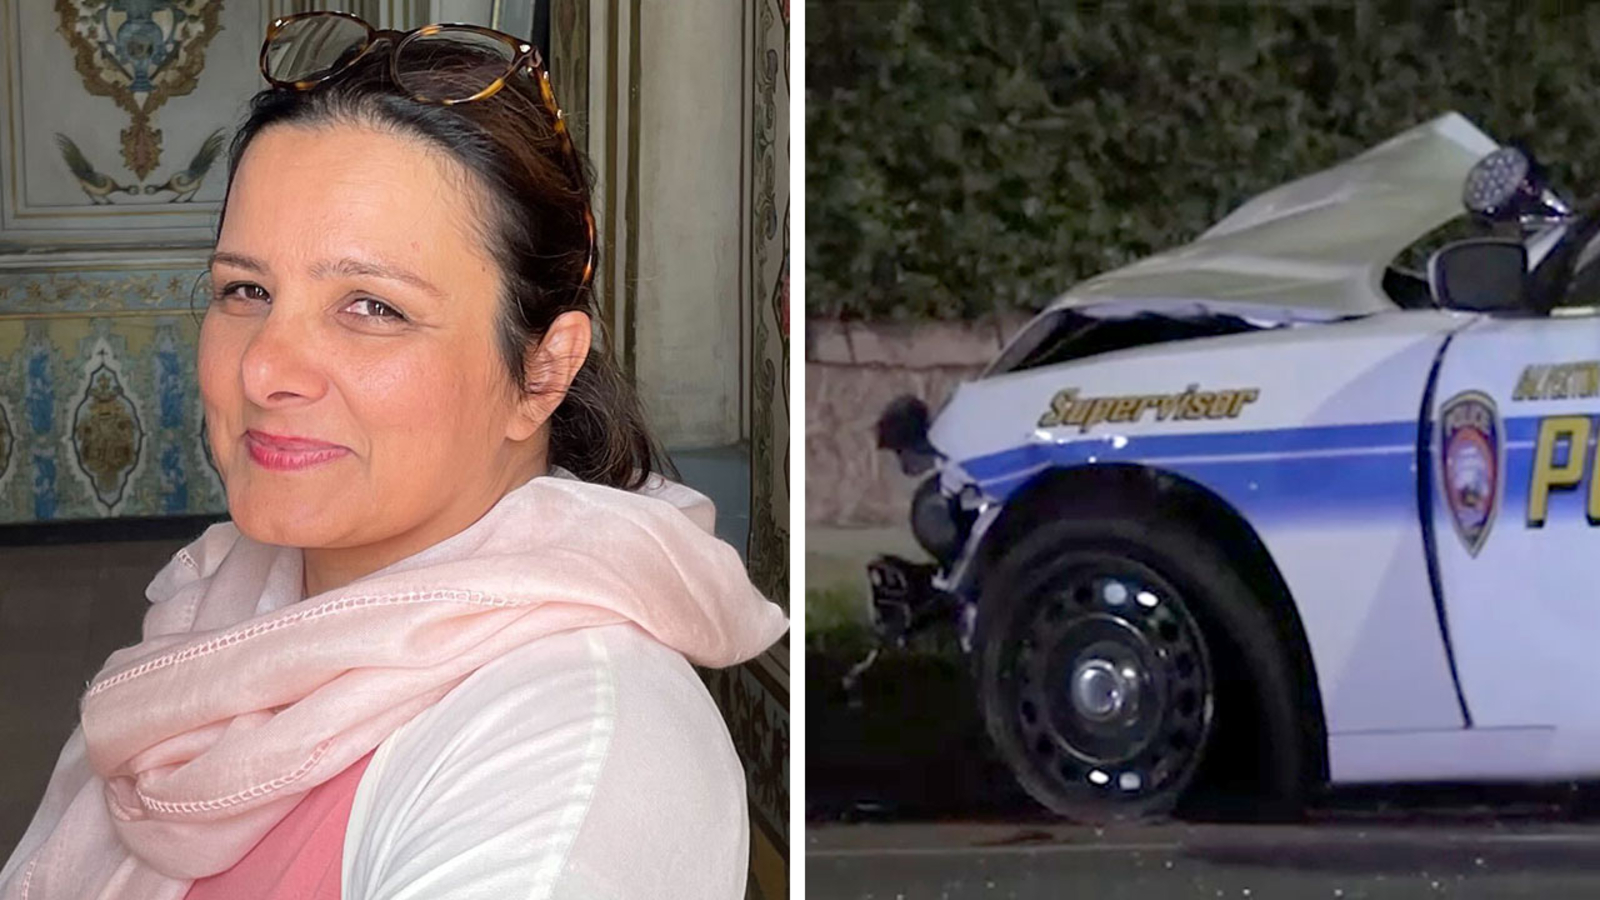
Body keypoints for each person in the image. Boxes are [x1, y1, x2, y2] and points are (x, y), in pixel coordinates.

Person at [0, 13, 787, 900]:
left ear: (542, 369)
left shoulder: (572, 755)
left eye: (372, 306)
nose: (263, 368)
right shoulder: (219, 606)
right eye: (245, 290)